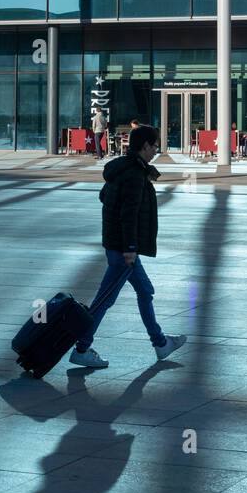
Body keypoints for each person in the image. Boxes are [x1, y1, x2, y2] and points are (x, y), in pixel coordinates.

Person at [70, 125, 187, 369]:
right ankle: (81, 348)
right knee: (105, 300)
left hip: (120, 245)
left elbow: (105, 197)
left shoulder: (124, 169)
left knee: (145, 291)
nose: (156, 150)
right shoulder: (133, 174)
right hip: (123, 249)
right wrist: (130, 248)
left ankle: (160, 343)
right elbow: (129, 213)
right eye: (154, 145)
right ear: (144, 146)